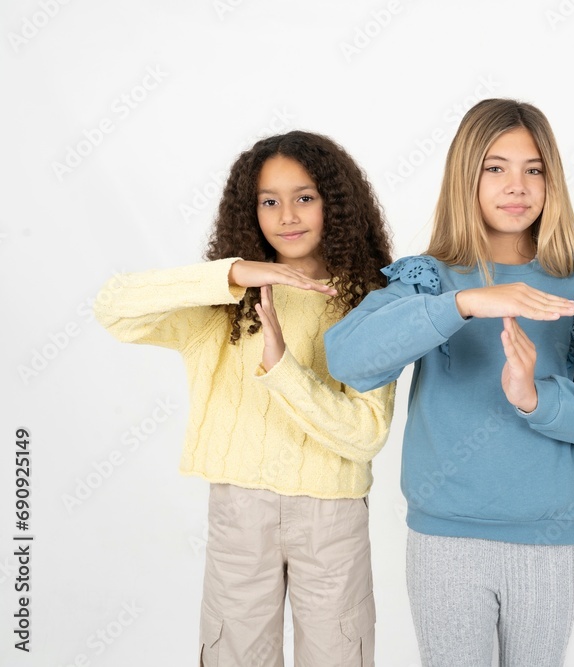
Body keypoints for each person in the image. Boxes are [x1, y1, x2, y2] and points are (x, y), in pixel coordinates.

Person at [325, 98, 574, 666]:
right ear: (467, 175)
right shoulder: (430, 277)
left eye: (533, 169)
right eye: (496, 167)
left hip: (547, 539)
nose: (517, 185)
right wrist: (463, 302)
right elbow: (349, 358)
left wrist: (535, 398)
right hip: (446, 540)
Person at [94, 130, 395, 666]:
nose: (287, 216)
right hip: (240, 509)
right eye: (269, 201)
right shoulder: (221, 304)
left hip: (332, 514)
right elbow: (113, 308)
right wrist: (231, 274)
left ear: (334, 203)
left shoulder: (369, 302)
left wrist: (282, 369)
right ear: (250, 210)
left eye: (305, 197)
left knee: (339, 655)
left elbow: (366, 434)